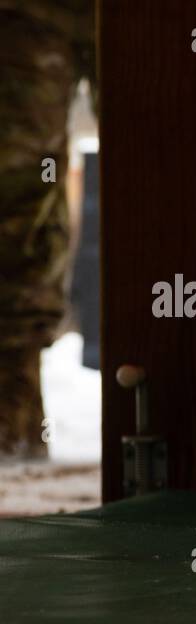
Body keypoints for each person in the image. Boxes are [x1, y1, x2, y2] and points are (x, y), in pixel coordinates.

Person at [0, 0, 95, 458]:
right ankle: (13, 428)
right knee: (19, 198)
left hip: (154, 17)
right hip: (29, 16)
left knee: (181, 179)